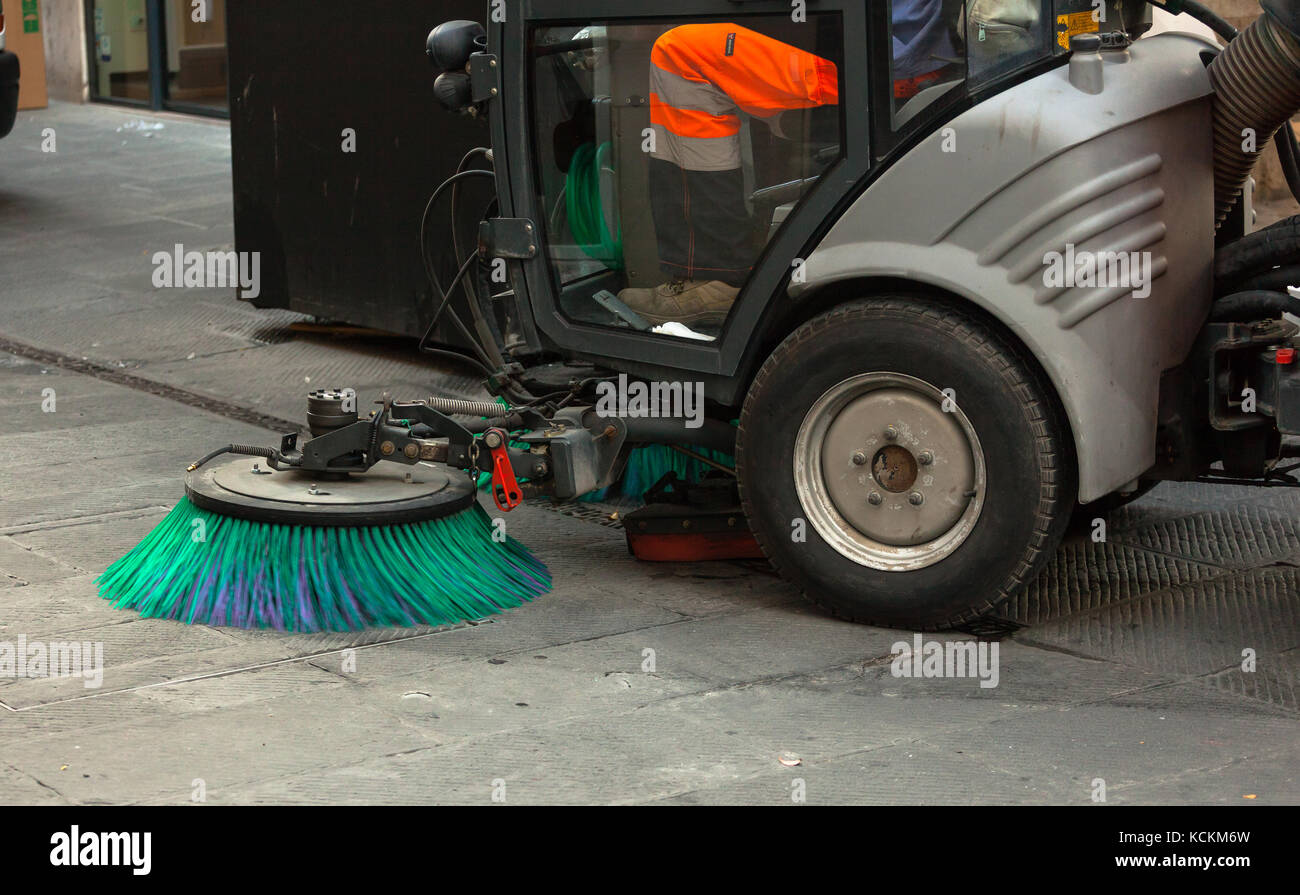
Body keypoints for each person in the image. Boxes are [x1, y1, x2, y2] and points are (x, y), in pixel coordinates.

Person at [618, 3, 956, 329]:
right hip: (899, 49)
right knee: (727, 52)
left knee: (681, 53)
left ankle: (714, 275)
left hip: (883, 61)